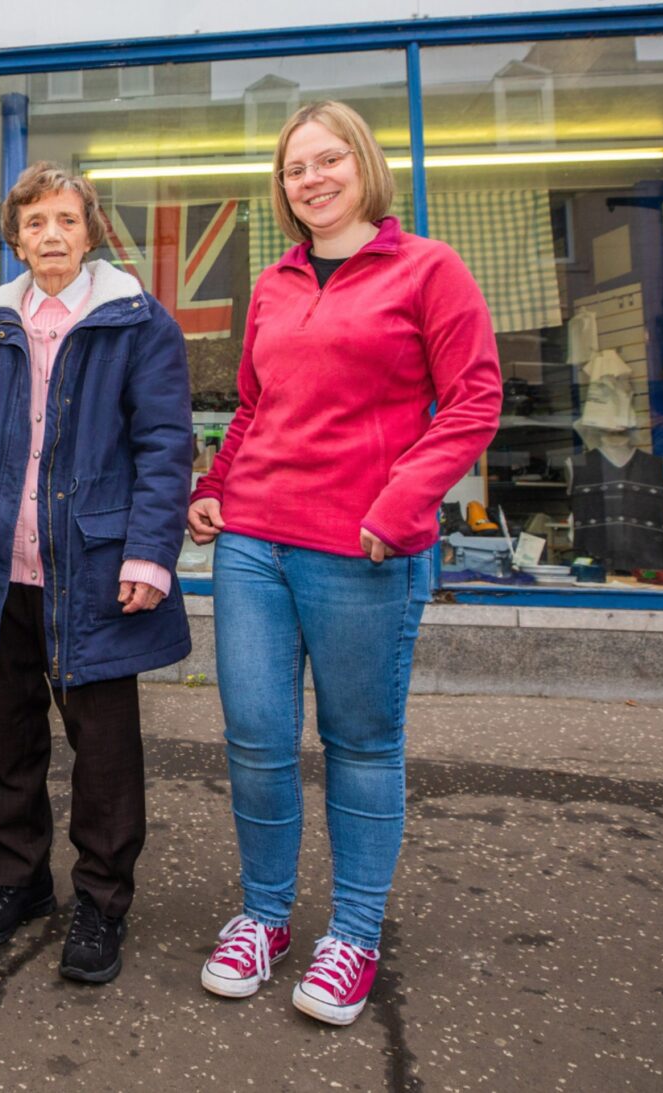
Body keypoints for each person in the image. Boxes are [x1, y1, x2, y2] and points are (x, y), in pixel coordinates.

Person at [188, 101, 499, 1026]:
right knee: (256, 737)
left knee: (360, 742)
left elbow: (473, 401)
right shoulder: (276, 282)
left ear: (362, 164)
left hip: (363, 546)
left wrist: (404, 502)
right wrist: (216, 484)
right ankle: (265, 917)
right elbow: (255, 405)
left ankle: (354, 933)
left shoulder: (429, 269)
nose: (312, 180)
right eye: (295, 169)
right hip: (254, 544)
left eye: (328, 161)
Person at [0, 163, 192, 985]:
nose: (52, 235)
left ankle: (101, 899)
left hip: (94, 568)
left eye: (66, 219)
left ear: (90, 231)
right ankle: (18, 879)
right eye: (35, 223)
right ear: (16, 238)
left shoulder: (137, 322)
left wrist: (150, 552)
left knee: (104, 750)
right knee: (4, 737)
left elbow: (165, 444)